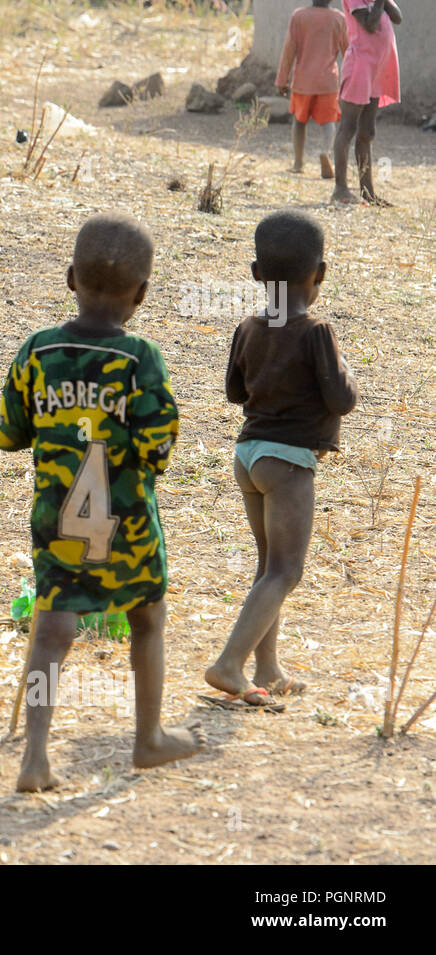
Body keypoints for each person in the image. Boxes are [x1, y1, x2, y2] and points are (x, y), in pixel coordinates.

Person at [0, 214, 204, 791]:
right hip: (128, 522)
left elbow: (12, 432)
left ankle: (35, 758)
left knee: (51, 633)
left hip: (59, 522)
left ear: (69, 278)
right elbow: (157, 445)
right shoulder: (141, 360)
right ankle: (149, 739)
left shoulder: (39, 351)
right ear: (141, 294)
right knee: (147, 619)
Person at [205, 211, 357, 705]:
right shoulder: (316, 331)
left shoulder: (249, 326)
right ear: (321, 274)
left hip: (248, 456)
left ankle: (267, 666)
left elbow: (233, 391)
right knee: (287, 571)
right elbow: (342, 400)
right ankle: (229, 663)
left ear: (255, 273)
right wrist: (347, 371)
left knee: (269, 565)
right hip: (288, 463)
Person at [332, 0, 402, 204]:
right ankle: (340, 188)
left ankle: (367, 192)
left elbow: (398, 17)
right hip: (360, 66)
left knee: (367, 132)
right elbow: (370, 25)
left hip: (377, 69)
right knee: (348, 128)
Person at [275, 0, 348, 179]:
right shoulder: (339, 18)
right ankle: (325, 151)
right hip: (328, 81)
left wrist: (282, 79)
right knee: (329, 122)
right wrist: (350, 81)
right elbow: (348, 51)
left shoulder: (299, 16)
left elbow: (289, 49)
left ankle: (298, 163)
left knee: (299, 121)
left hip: (303, 81)